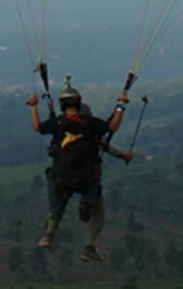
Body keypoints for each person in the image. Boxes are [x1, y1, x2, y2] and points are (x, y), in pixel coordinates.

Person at [26, 81, 132, 262]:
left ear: (62, 105)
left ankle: (48, 235)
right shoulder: (92, 125)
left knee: (56, 206)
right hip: (87, 178)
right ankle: (90, 246)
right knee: (98, 212)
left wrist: (34, 106)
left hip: (61, 177)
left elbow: (37, 127)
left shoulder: (57, 123)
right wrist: (120, 106)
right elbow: (112, 128)